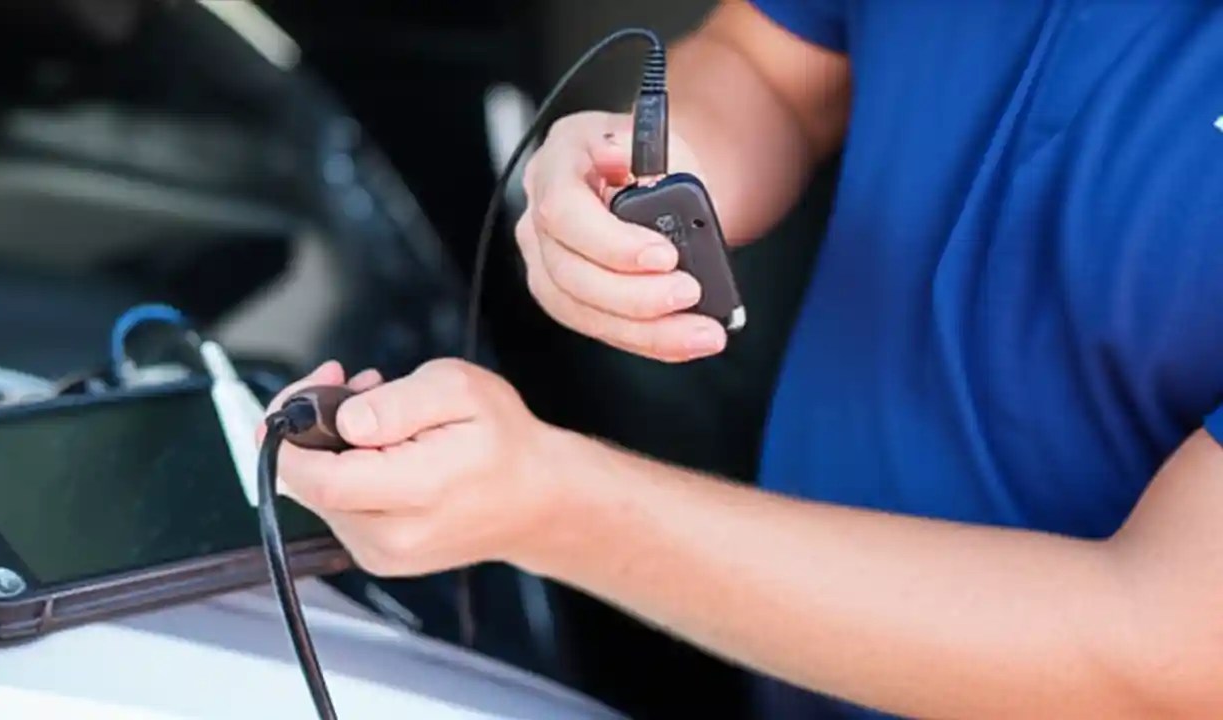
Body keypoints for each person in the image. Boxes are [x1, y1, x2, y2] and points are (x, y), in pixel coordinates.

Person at [266, 1, 1223, 717]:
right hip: (783, 668)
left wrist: (556, 506)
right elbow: (768, 65)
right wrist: (644, 175)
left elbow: (1154, 652)